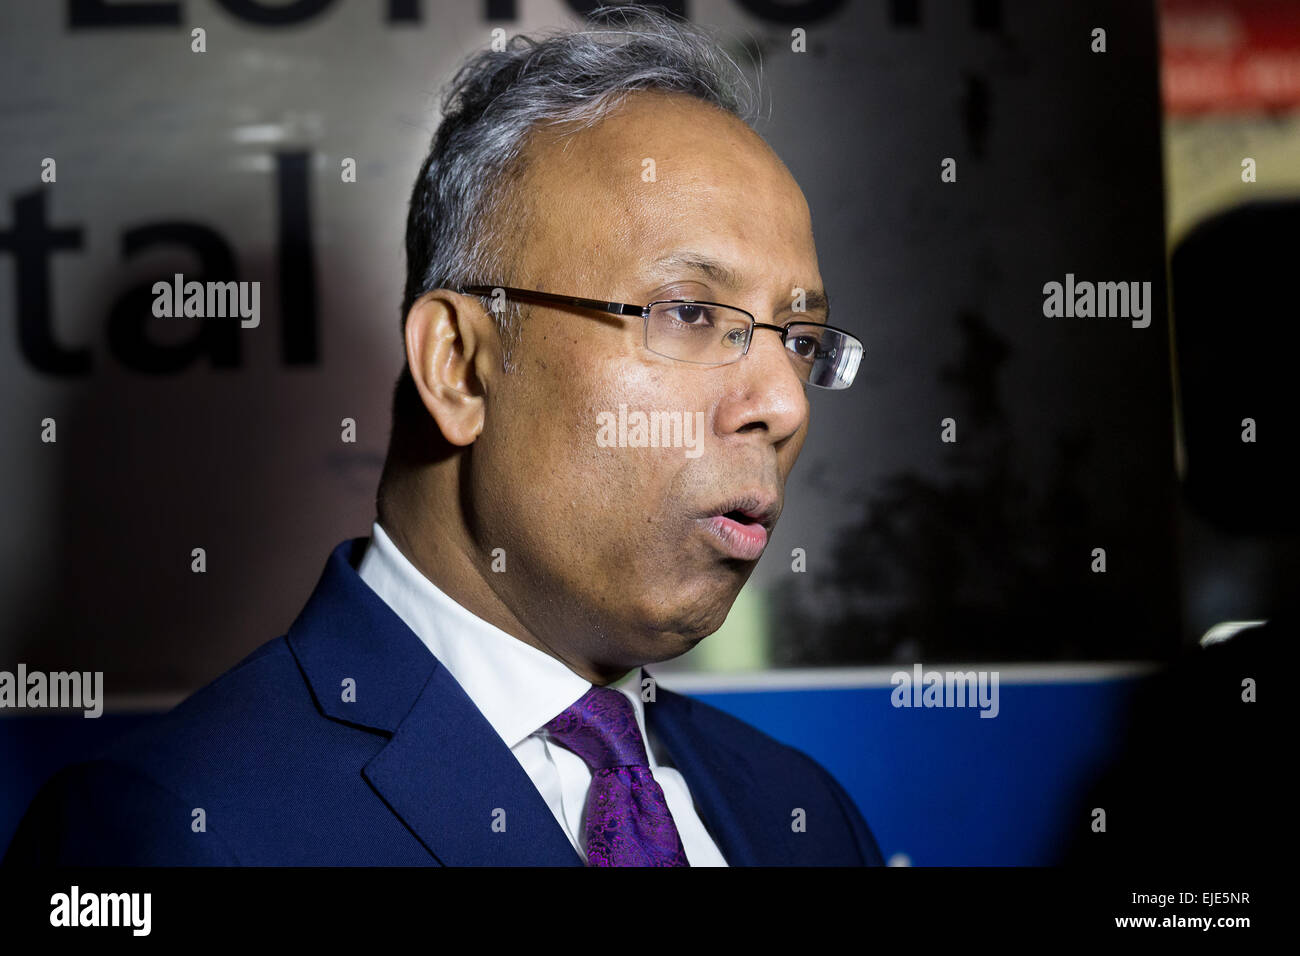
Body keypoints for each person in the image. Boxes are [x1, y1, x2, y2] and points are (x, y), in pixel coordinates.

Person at [4, 5, 879, 867]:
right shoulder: (165, 831)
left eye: (799, 340)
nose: (783, 402)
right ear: (458, 363)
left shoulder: (804, 813)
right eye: (690, 312)